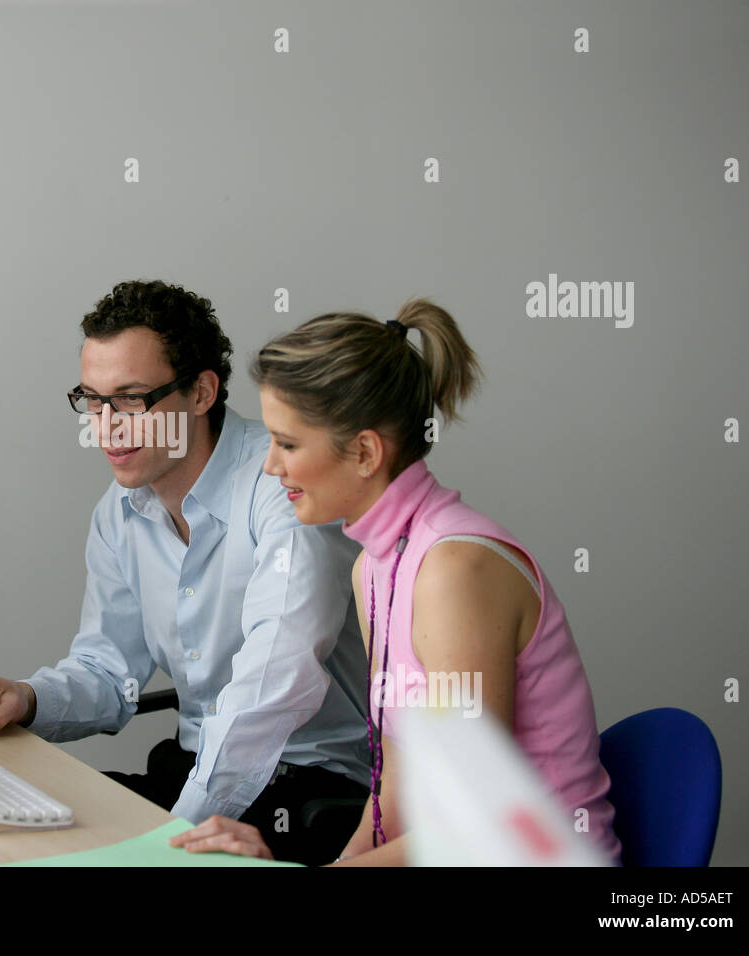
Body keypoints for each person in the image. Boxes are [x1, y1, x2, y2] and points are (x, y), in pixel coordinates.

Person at [170, 298, 622, 865]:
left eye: (286, 444)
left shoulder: (454, 571)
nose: (270, 466)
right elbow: (394, 796)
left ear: (363, 452)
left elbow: (479, 823)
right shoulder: (375, 567)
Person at [0, 279, 371, 865]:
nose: (105, 425)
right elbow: (107, 669)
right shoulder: (120, 510)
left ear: (200, 392)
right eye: (92, 399)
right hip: (193, 768)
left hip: (306, 786)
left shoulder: (286, 488)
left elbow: (270, 690)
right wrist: (27, 697)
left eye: (132, 399)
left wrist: (166, 839)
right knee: (8, 834)